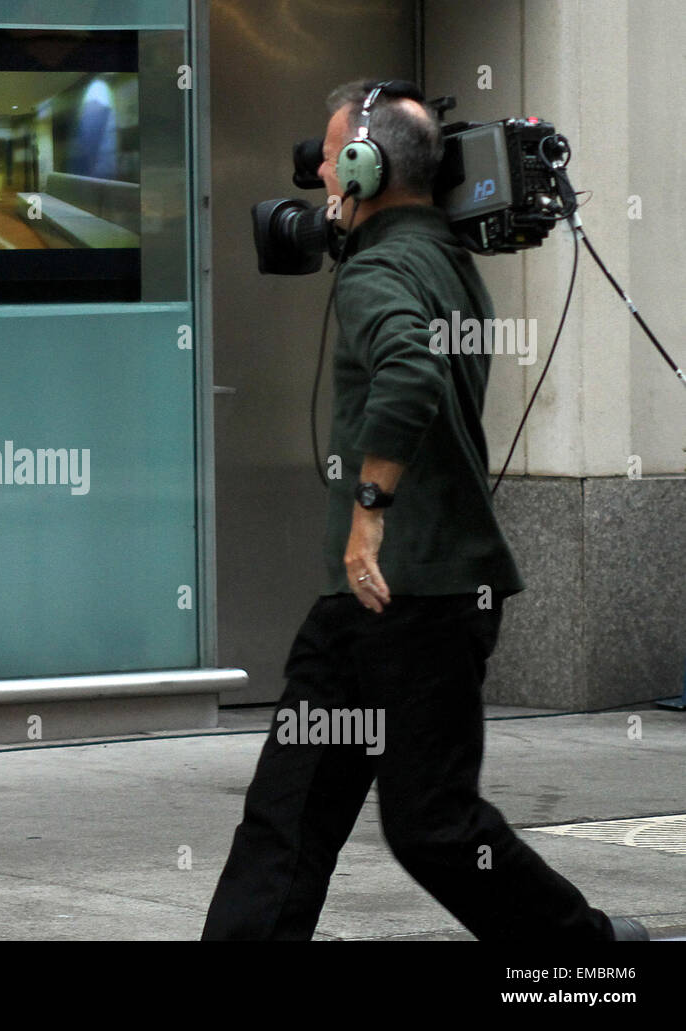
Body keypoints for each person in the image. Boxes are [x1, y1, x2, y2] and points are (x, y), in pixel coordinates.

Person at [202, 80, 646, 941]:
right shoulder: (442, 257)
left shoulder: (381, 272)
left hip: (420, 595)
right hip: (369, 603)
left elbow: (409, 369)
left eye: (332, 157)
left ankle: (585, 956)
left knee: (431, 824)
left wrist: (370, 507)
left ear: (364, 169)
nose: (320, 173)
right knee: (291, 807)